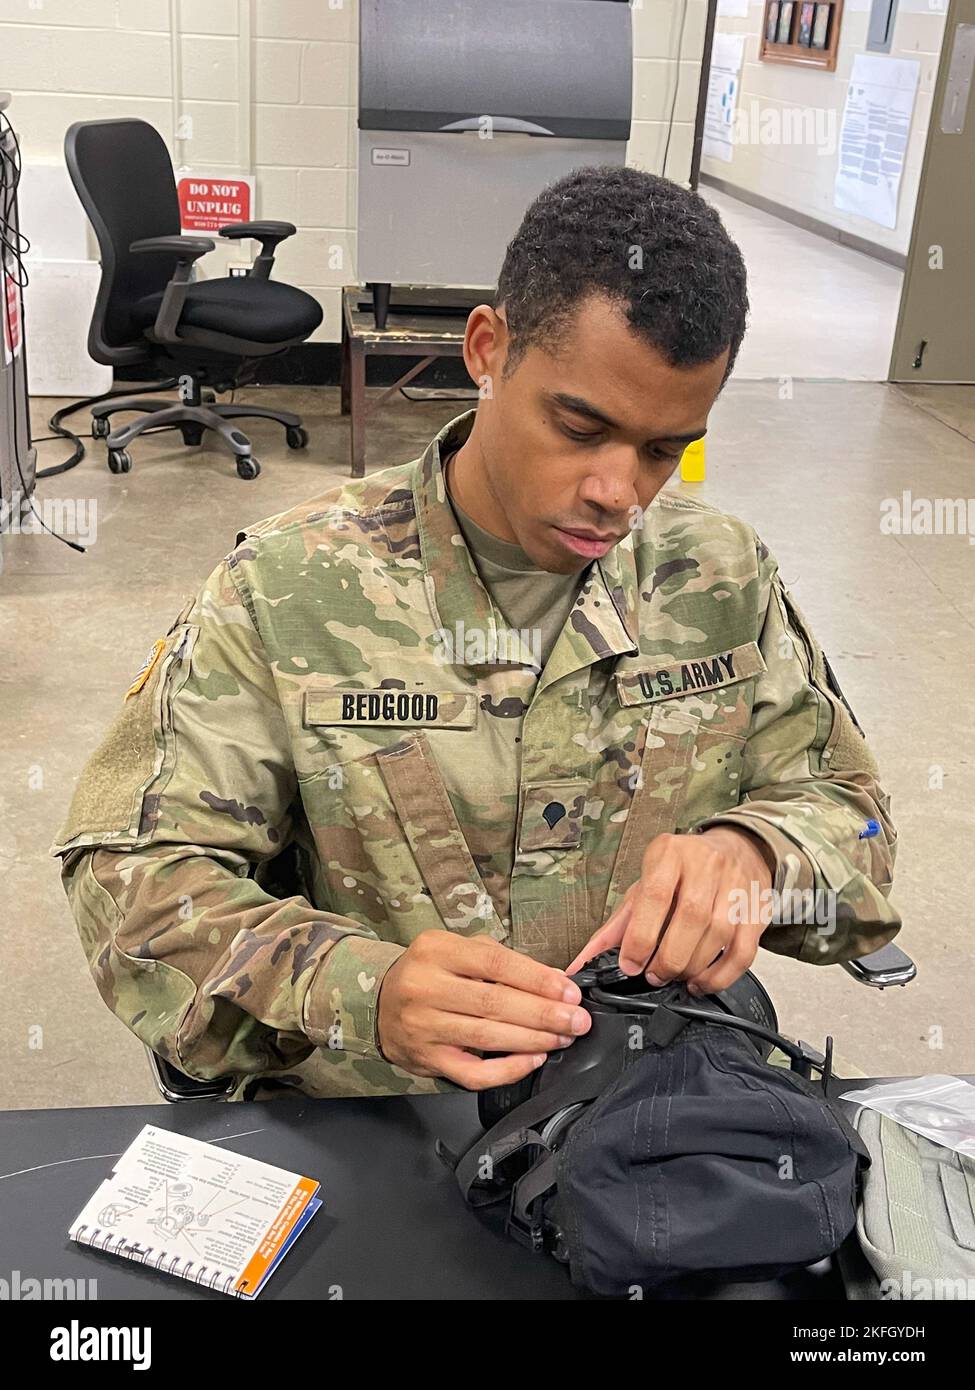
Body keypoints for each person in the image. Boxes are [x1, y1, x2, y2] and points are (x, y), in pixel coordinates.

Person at [53, 166, 900, 1101]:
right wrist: (354, 990)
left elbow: (855, 814)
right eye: (579, 426)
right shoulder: (292, 588)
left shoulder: (719, 577)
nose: (618, 493)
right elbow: (128, 876)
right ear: (488, 350)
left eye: (663, 449)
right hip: (388, 1126)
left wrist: (757, 856)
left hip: (637, 1121)